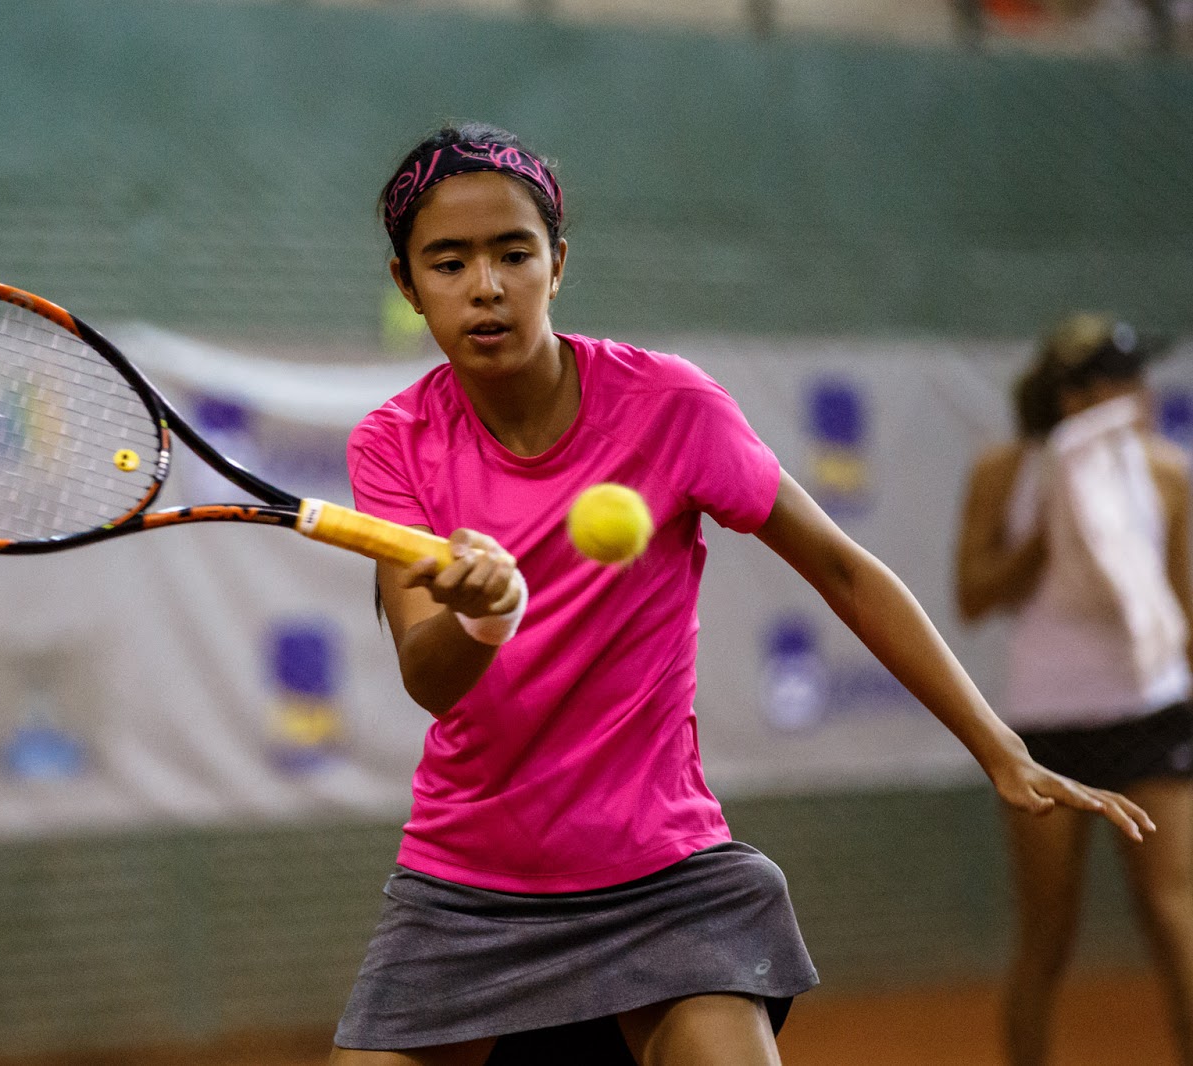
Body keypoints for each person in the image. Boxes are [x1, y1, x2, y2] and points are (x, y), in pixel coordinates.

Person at [333, 123, 1153, 1066]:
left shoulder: (670, 407)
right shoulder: (393, 444)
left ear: (557, 265)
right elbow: (430, 679)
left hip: (662, 874)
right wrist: (485, 617)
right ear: (408, 285)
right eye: (448, 262)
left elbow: (846, 572)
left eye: (514, 253)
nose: (486, 286)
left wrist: (1000, 749)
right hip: (469, 882)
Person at [956, 313, 1193, 1066]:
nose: (1140, 395)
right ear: (1074, 398)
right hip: (1047, 728)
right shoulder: (1006, 471)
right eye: (1121, 382)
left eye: (1138, 380)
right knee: (1047, 936)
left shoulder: (1166, 472)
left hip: (1151, 713)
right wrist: (1053, 525)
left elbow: (1179, 604)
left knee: (1174, 912)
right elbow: (972, 593)